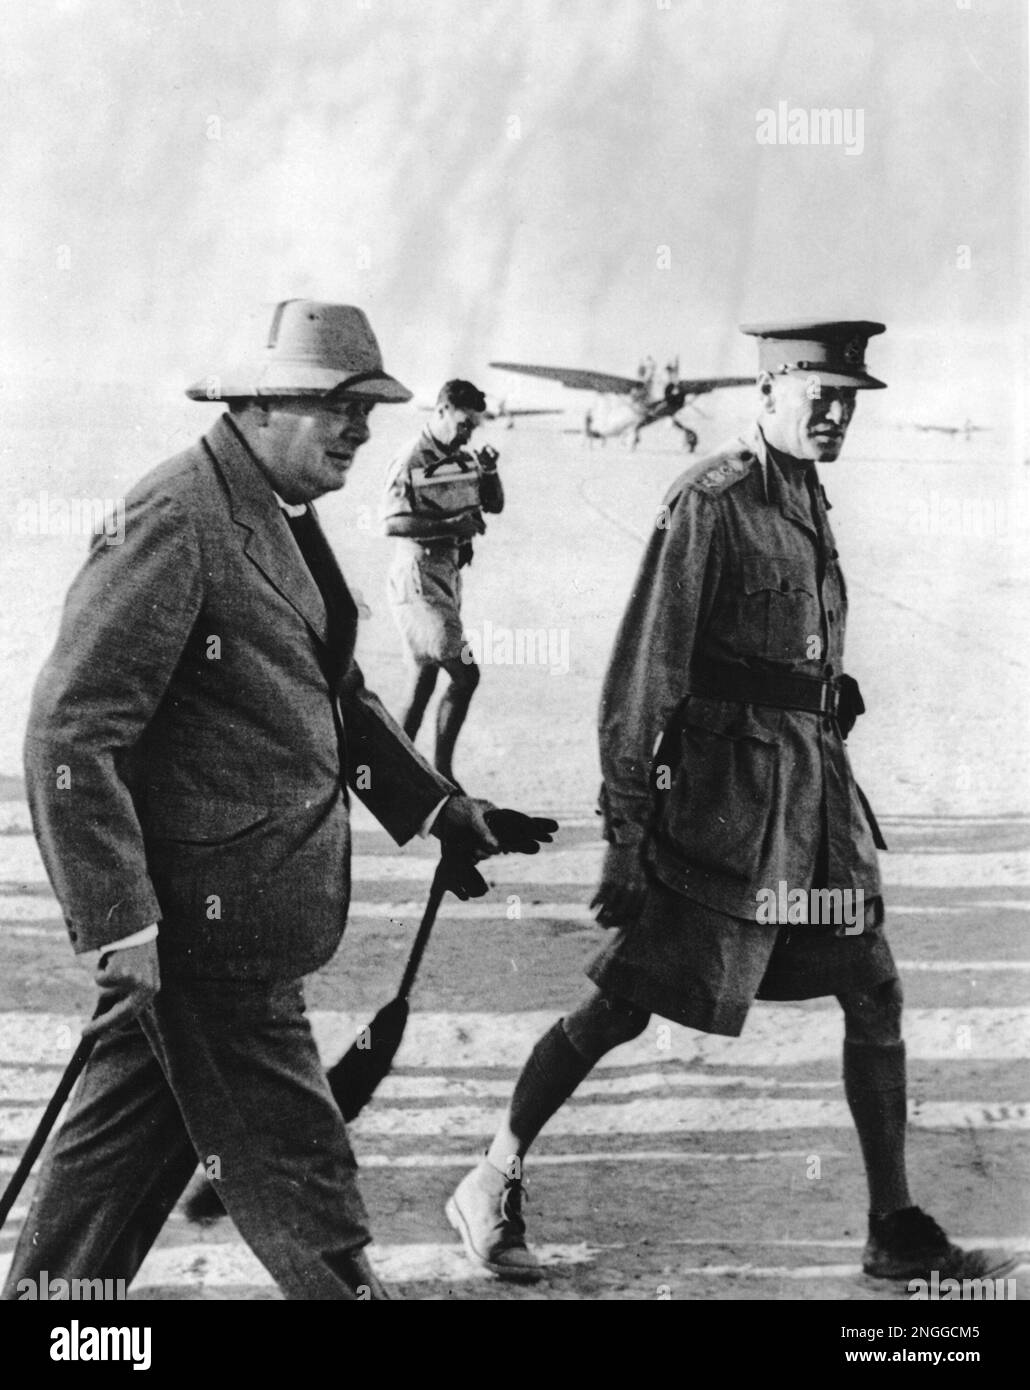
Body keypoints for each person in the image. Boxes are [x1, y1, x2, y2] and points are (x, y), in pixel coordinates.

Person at [446, 319, 1014, 1287]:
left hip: (812, 801)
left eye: (847, 399)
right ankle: (489, 1178)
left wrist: (823, 692)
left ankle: (894, 1224)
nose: (834, 413)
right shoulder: (710, 500)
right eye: (817, 395)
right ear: (767, 393)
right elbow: (643, 673)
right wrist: (626, 834)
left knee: (871, 983)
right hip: (723, 814)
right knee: (625, 1001)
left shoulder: (805, 493)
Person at [2, 299, 511, 1303]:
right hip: (201, 937)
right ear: (264, 404)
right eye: (341, 411)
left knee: (104, 1190)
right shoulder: (178, 516)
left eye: (370, 413)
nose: (363, 434)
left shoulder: (277, 515)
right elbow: (70, 728)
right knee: (303, 1183)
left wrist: (435, 808)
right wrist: (121, 918)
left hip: (230, 927)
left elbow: (335, 696)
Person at [382, 379, 504, 784]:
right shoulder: (411, 459)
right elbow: (393, 523)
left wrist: (489, 470)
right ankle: (441, 771)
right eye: (465, 423)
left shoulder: (462, 457)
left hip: (447, 576)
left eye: (474, 427)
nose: (469, 433)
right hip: (418, 576)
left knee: (425, 677)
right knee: (466, 673)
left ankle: (398, 773)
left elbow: (494, 504)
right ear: (441, 411)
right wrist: (450, 524)